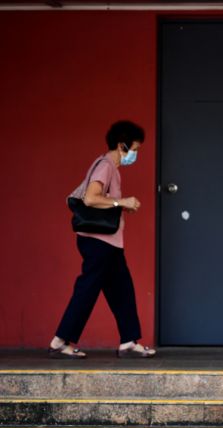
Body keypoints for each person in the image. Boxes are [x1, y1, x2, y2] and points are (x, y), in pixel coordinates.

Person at [48, 120, 155, 359]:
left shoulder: (110, 168)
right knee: (87, 289)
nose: (135, 155)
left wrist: (119, 205)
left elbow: (99, 201)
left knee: (122, 290)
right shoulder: (106, 165)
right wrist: (122, 202)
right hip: (99, 242)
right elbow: (90, 198)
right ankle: (60, 341)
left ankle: (128, 341)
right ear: (122, 145)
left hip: (109, 242)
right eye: (135, 149)